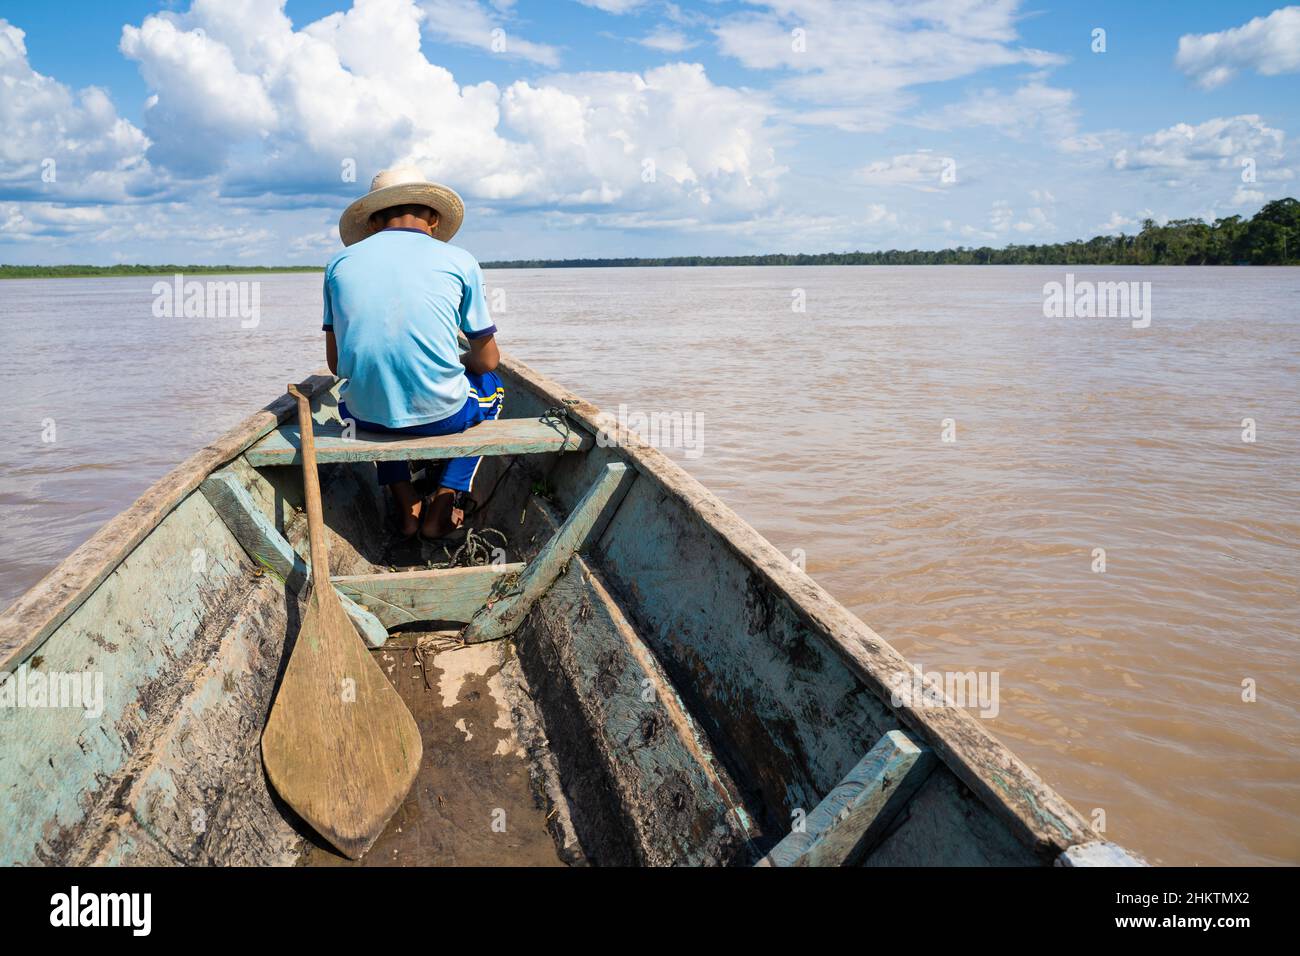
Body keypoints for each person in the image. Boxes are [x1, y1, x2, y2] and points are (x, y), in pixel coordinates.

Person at [323, 165, 501, 540]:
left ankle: (405, 501)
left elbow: (337, 365)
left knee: (367, 391)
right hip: (443, 416)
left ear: (372, 223)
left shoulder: (338, 265)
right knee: (495, 389)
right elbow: (486, 360)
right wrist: (460, 362)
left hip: (363, 418)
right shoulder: (460, 261)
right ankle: (448, 492)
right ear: (434, 219)